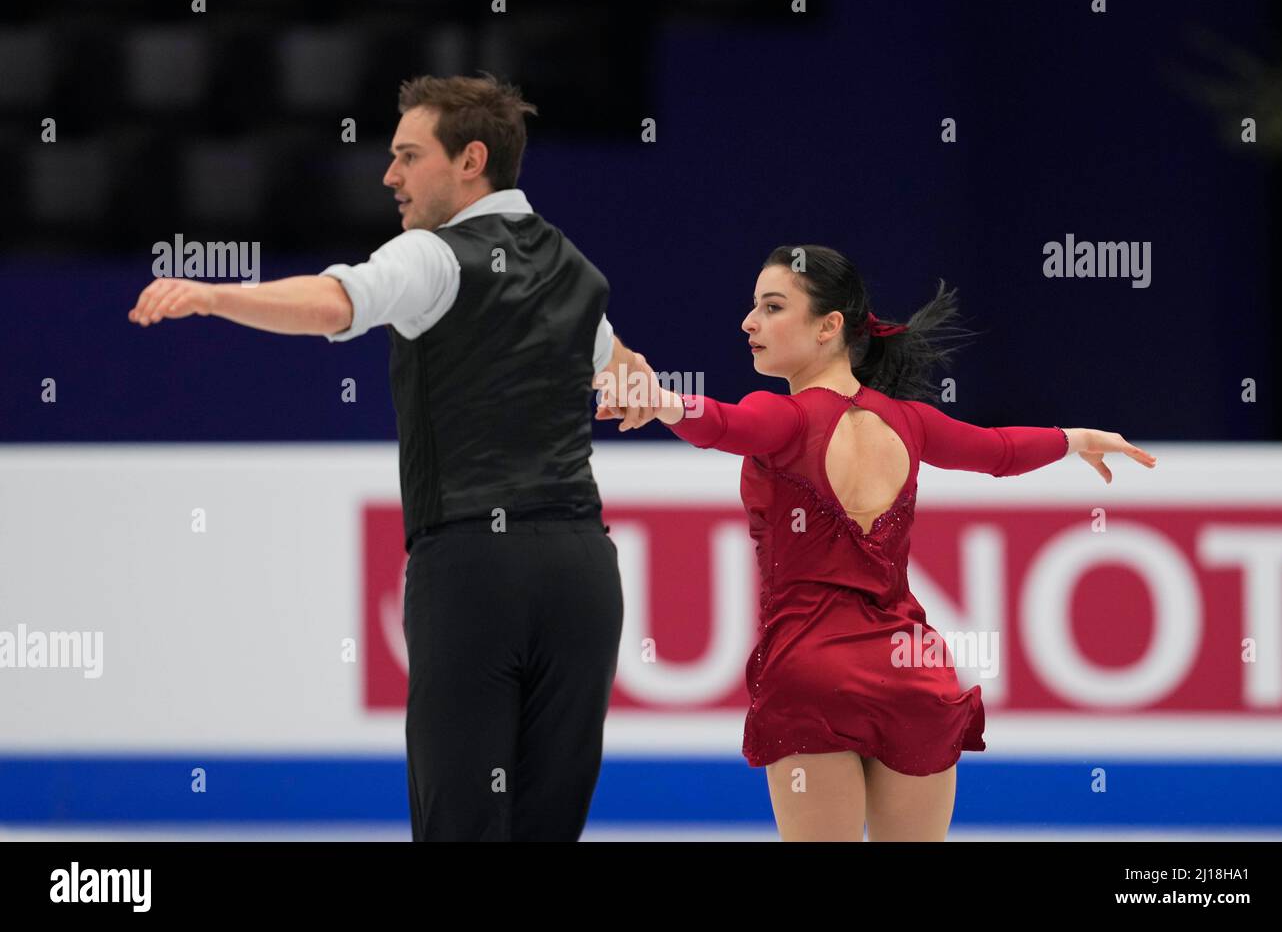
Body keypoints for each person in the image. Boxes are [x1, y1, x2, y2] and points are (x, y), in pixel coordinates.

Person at [128, 72, 658, 841]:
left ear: (470, 159)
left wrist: (216, 296)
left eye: (409, 155)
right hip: (584, 572)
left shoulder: (434, 259)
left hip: (475, 570)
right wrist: (638, 375)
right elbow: (622, 363)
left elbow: (337, 300)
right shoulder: (574, 267)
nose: (390, 176)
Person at [596, 244, 1157, 841]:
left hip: (810, 671)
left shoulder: (786, 417)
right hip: (910, 672)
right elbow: (997, 451)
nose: (749, 322)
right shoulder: (909, 422)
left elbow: (724, 423)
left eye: (773, 306)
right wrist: (1075, 438)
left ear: (829, 326)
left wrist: (663, 403)